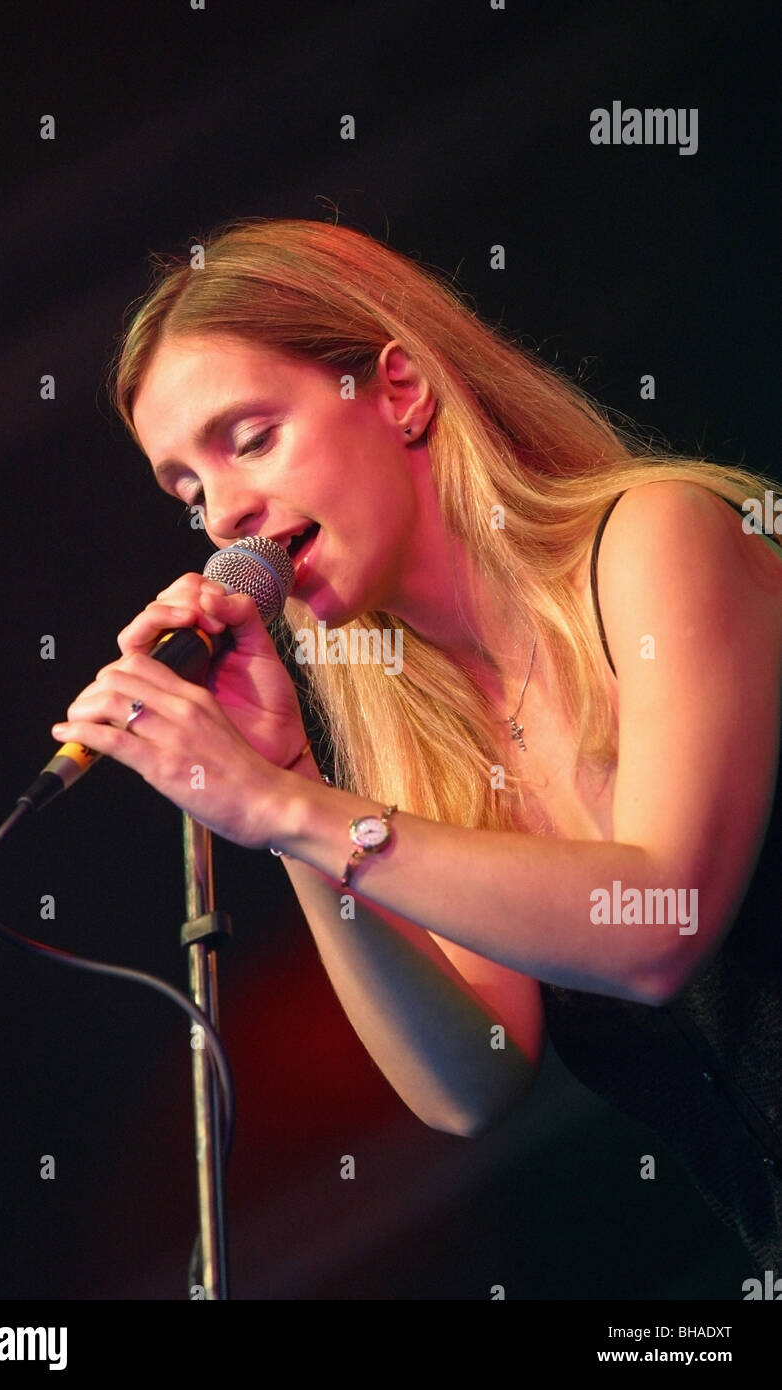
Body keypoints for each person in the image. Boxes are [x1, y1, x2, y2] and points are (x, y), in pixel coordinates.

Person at [50, 218, 782, 1274]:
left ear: (397, 390)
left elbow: (656, 928)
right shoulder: (424, 748)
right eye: (189, 492)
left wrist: (282, 806)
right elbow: (466, 1081)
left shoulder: (656, 539)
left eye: (248, 438)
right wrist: (292, 789)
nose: (226, 518)